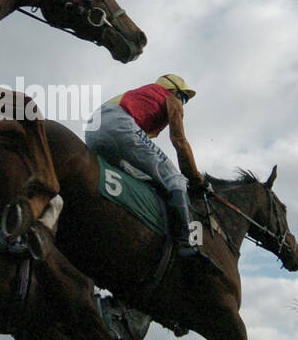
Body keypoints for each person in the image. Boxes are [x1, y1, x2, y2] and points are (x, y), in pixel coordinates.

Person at [84, 74, 208, 260]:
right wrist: (195, 178)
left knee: (143, 179)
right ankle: (186, 242)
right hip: (119, 124)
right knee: (175, 178)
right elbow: (179, 141)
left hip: (93, 131)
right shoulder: (171, 99)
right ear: (174, 91)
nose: (183, 104)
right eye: (183, 98)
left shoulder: (144, 95)